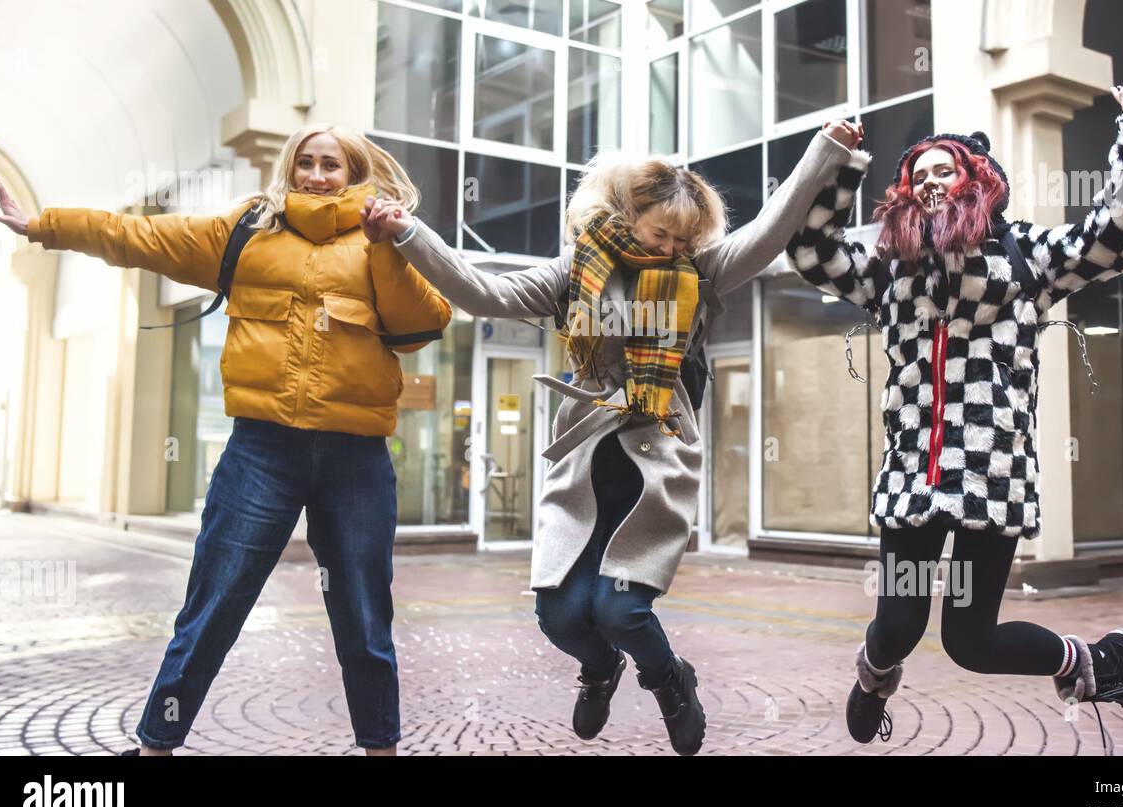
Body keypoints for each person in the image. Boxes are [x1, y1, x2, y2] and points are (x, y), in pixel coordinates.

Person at [359, 120, 868, 754]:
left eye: (683, 237)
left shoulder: (701, 270)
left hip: (654, 458)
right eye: (660, 232)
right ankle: (600, 670)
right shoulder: (576, 271)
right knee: (560, 614)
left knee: (621, 609)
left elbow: (768, 231)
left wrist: (828, 151)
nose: (670, 248)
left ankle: (671, 682)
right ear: (628, 214)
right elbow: (482, 292)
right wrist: (407, 232)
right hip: (585, 459)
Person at [0, 125, 452, 755]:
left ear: (354, 173)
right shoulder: (246, 232)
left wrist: (388, 245)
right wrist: (45, 225)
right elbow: (139, 236)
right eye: (306, 163)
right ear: (291, 168)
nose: (316, 175)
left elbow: (425, 323)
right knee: (213, 605)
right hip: (261, 452)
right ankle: (155, 745)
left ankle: (380, 749)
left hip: (355, 457)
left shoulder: (384, 240)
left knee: (364, 617)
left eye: (331, 165)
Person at [785, 84, 1123, 746]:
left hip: (990, 477)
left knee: (970, 639)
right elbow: (811, 250)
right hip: (912, 477)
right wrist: (836, 161)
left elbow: (1118, 236)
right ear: (906, 192)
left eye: (945, 169)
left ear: (976, 179)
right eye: (918, 174)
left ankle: (1107, 663)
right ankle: (875, 676)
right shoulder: (889, 268)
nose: (931, 181)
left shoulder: (1026, 256)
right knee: (897, 626)